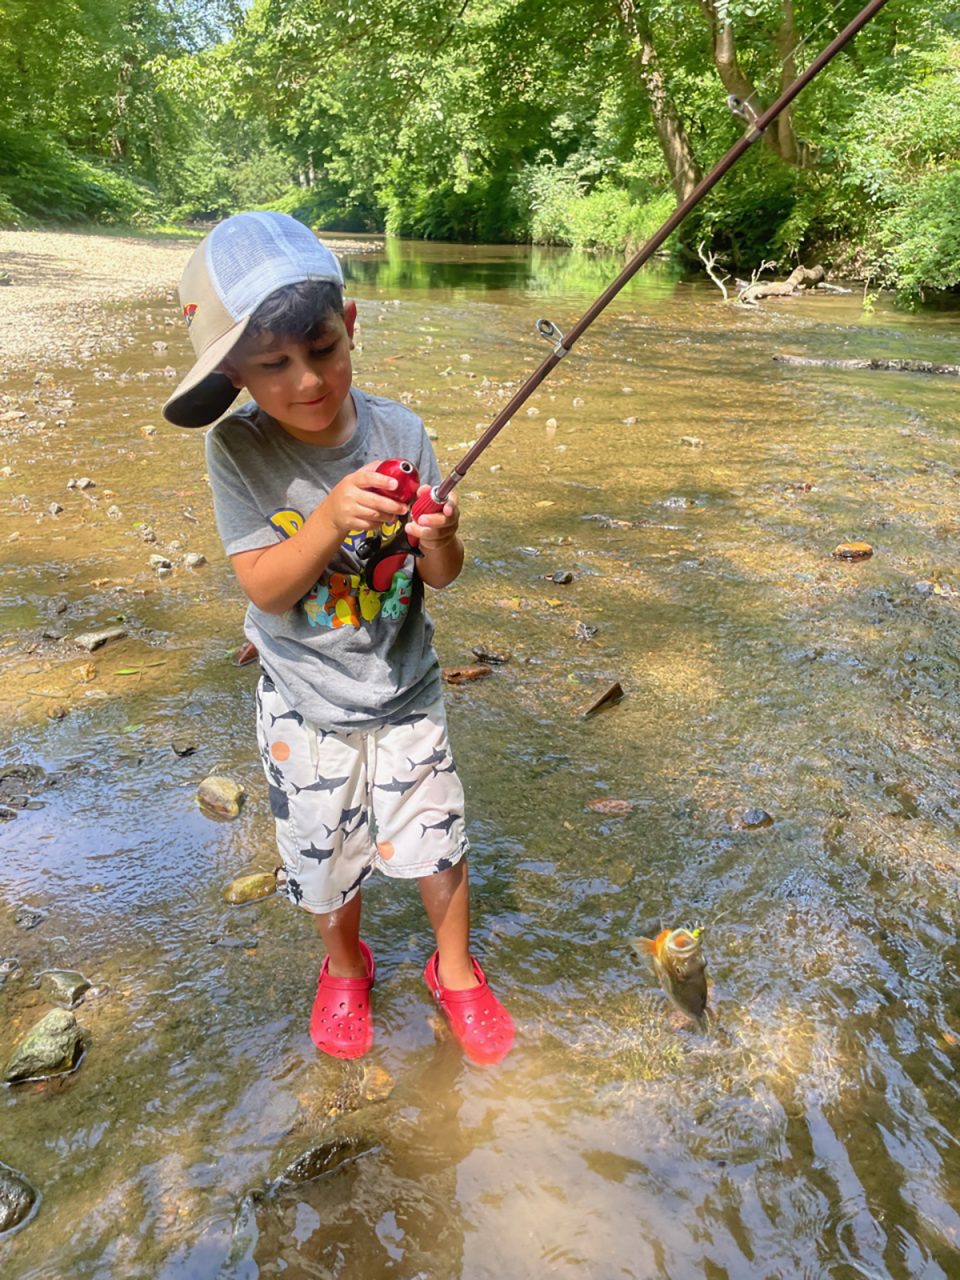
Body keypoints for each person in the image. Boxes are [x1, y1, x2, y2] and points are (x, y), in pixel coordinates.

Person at [161, 211, 514, 1066]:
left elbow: (442, 578)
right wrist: (325, 519)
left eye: (322, 349)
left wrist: (440, 537)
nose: (307, 381)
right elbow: (267, 587)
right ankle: (346, 965)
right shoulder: (237, 452)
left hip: (406, 690)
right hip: (304, 704)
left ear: (349, 328)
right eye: (273, 366)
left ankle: (455, 970)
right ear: (235, 374)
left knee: (438, 842)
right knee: (325, 859)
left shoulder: (402, 432)